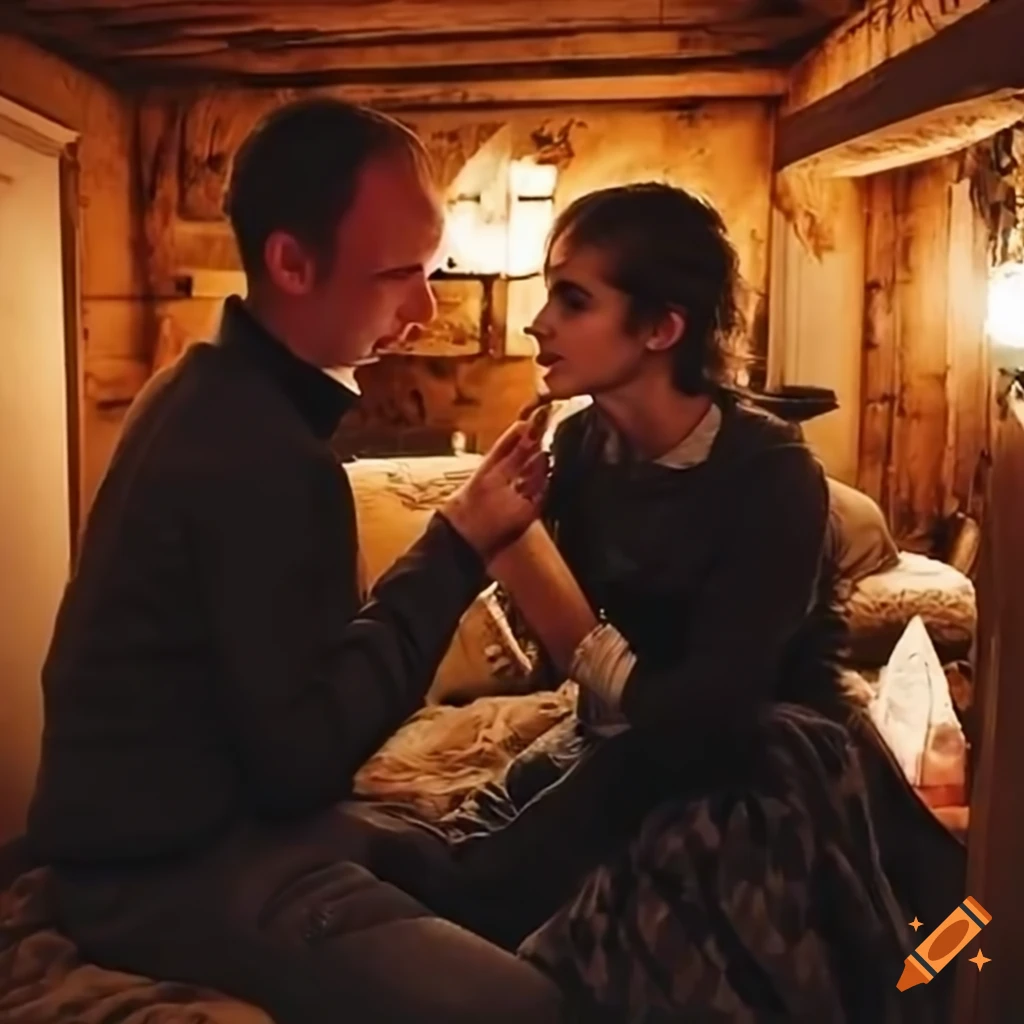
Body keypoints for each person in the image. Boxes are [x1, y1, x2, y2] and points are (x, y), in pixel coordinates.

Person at [25, 98, 565, 1023]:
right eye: (401, 275)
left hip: (210, 815)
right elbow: (302, 760)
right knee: (522, 1007)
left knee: (488, 866)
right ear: (290, 262)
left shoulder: (195, 389)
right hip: (154, 866)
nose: (424, 308)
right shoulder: (260, 454)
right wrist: (456, 547)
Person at [392, 183, 958, 1022]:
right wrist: (510, 543)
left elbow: (717, 706)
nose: (537, 322)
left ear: (661, 329)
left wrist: (584, 643)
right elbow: (572, 657)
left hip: (765, 750)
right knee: (468, 857)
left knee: (573, 907)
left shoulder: (772, 473)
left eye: (572, 299)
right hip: (631, 730)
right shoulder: (581, 447)